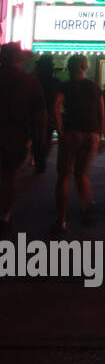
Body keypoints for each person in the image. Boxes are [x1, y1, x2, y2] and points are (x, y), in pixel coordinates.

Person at [53, 54, 104, 234]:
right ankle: (86, 209)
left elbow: (55, 107)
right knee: (81, 173)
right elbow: (101, 112)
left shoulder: (65, 86)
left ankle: (61, 221)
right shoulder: (94, 86)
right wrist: (101, 134)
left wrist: (60, 131)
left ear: (69, 67)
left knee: (64, 175)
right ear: (84, 66)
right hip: (92, 133)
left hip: (72, 132)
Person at [0, 44, 46, 238]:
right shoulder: (28, 81)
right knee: (10, 176)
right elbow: (40, 112)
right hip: (16, 135)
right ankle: (5, 214)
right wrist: (39, 138)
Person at [31, 53, 58, 173]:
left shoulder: (33, 80)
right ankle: (40, 162)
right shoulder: (54, 82)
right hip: (49, 113)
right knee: (45, 138)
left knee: (36, 138)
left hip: (32, 113)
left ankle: (38, 161)